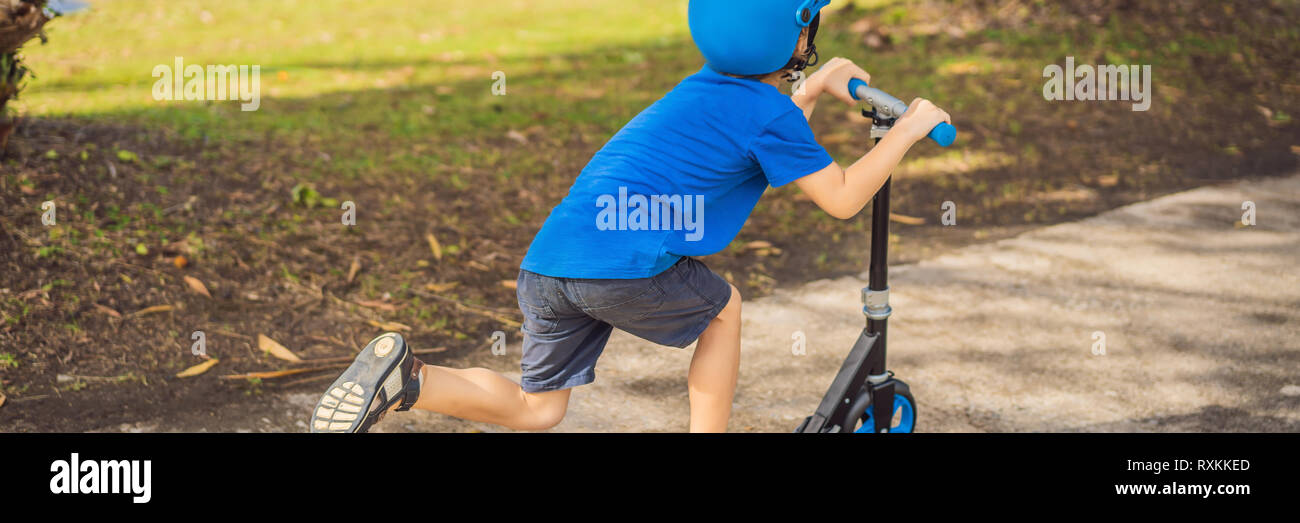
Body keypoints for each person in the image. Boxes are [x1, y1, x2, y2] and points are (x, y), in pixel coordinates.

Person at [309, 0, 951, 433]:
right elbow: (840, 197)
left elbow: (756, 147)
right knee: (722, 309)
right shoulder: (767, 114)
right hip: (623, 270)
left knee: (539, 411)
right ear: (793, 34)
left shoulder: (701, 88)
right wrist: (908, 129)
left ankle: (409, 379)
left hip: (551, 263)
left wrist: (807, 92)